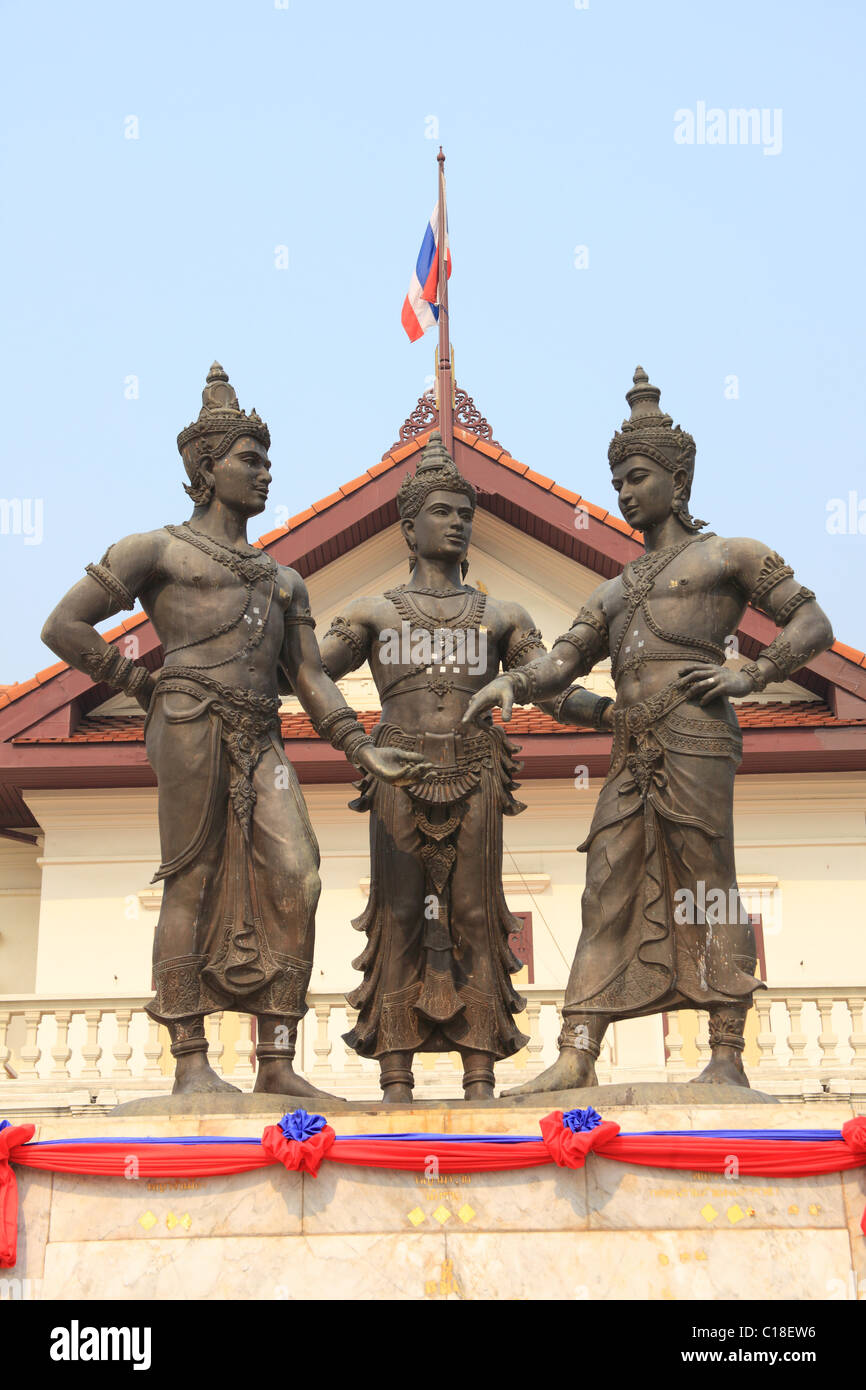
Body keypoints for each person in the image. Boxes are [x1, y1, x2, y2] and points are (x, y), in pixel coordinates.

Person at [42, 363, 429, 1095]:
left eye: (267, 461)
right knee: (193, 876)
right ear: (204, 467)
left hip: (264, 735)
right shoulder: (154, 550)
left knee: (299, 876)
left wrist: (358, 744)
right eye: (250, 460)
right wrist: (139, 683)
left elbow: (309, 676)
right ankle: (191, 1060)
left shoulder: (284, 580)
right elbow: (64, 625)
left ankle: (276, 1060)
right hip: (189, 721)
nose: (264, 474)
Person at [463, 368, 833, 1093]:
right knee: (605, 885)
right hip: (632, 747)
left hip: (698, 733)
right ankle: (578, 1050)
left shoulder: (731, 555)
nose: (625, 494)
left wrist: (751, 678)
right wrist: (513, 680)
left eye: (637, 477)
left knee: (708, 883)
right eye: (618, 481)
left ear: (678, 476)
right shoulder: (614, 590)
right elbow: (564, 662)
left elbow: (812, 624)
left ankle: (725, 1052)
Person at [319, 432, 612, 1102]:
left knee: (475, 910)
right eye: (443, 512)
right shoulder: (371, 613)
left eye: (464, 513)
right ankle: (396, 1075)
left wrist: (611, 714)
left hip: (476, 767)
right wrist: (353, 739)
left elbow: (552, 685)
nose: (457, 522)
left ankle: (480, 1072)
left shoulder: (504, 616)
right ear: (408, 526)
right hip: (397, 769)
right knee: (398, 910)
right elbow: (308, 673)